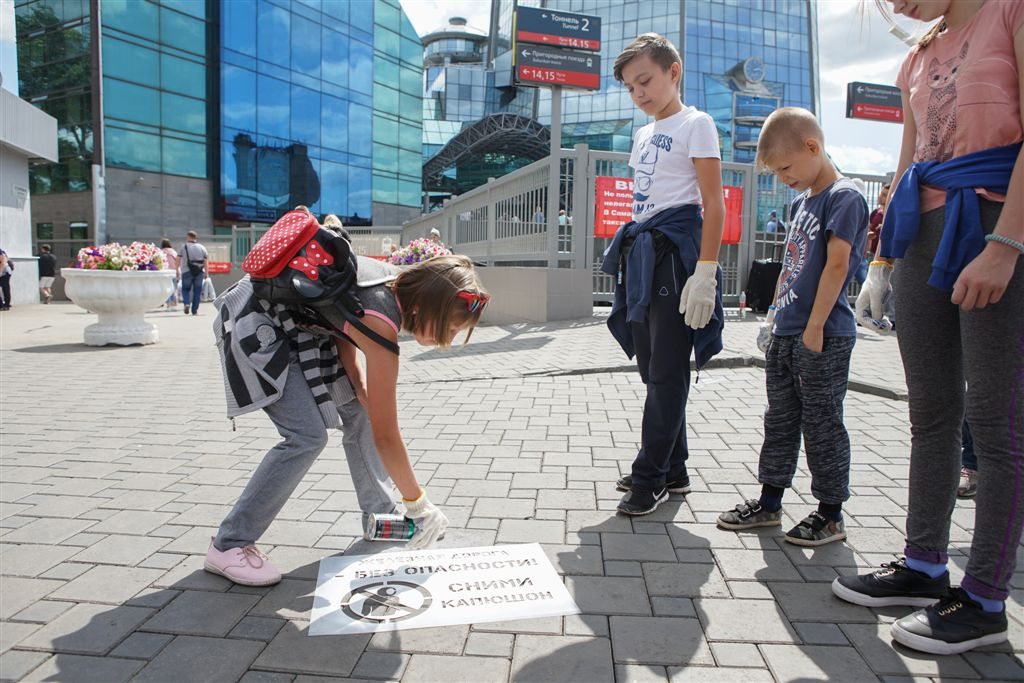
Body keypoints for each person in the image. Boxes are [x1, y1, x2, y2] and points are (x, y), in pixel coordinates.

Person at [838, 0, 1024, 656]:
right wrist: (882, 259)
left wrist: (1006, 244)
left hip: (995, 221)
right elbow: (908, 160)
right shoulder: (915, 57)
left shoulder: (1010, 15)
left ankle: (985, 597)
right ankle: (922, 564)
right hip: (923, 232)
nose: (897, 4)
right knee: (931, 412)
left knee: (996, 421)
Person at [205, 243, 490, 586]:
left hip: (300, 328)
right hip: (260, 325)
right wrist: (418, 502)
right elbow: (388, 437)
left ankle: (381, 519)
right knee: (306, 437)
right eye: (452, 328)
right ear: (431, 307)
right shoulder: (381, 323)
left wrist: (356, 381)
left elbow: (338, 312)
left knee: (360, 414)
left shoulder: (389, 284)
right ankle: (230, 543)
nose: (450, 338)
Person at [717, 108, 868, 546]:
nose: (782, 177)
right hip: (787, 331)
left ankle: (831, 513)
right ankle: (769, 502)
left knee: (822, 423)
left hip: (822, 333)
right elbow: (793, 265)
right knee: (779, 420)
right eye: (775, 170)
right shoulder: (801, 200)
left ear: (812, 147)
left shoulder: (845, 196)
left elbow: (837, 265)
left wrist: (815, 325)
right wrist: (774, 318)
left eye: (785, 167)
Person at [600, 33, 726, 516]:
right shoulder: (642, 135)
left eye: (646, 81)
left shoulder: (698, 123)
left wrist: (706, 272)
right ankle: (675, 468)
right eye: (631, 88)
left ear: (674, 71)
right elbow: (642, 201)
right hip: (642, 253)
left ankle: (648, 475)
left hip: (675, 252)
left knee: (668, 371)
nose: (639, 94)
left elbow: (712, 203)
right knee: (652, 367)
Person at [180, 230, 208, 316]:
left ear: (189, 237)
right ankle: (194, 310)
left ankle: (187, 303)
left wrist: (177, 269)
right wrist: (206, 273)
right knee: (197, 291)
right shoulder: (202, 247)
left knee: (185, 289)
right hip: (199, 272)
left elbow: (178, 258)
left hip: (186, 271)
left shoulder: (184, 247)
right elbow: (206, 261)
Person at [160, 238, 179, 310]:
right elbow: (177, 262)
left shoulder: (161, 252)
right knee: (173, 288)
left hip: (165, 273)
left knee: (166, 289)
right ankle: (173, 304)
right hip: (173, 272)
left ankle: (168, 304)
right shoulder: (173, 251)